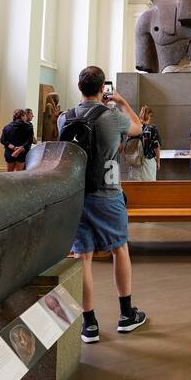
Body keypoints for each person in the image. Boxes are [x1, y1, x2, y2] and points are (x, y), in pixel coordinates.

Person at [57, 66, 148, 342]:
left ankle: (89, 324)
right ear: (102, 89)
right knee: (119, 249)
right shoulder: (113, 117)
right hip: (108, 193)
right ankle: (125, 314)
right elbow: (138, 129)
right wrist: (121, 102)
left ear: (78, 87)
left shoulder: (64, 118)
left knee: (82, 257)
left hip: (76, 195)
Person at [122, 105, 161, 182]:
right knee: (148, 188)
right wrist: (158, 161)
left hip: (134, 161)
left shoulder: (133, 128)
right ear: (149, 116)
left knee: (136, 188)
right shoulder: (152, 129)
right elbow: (156, 146)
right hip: (147, 162)